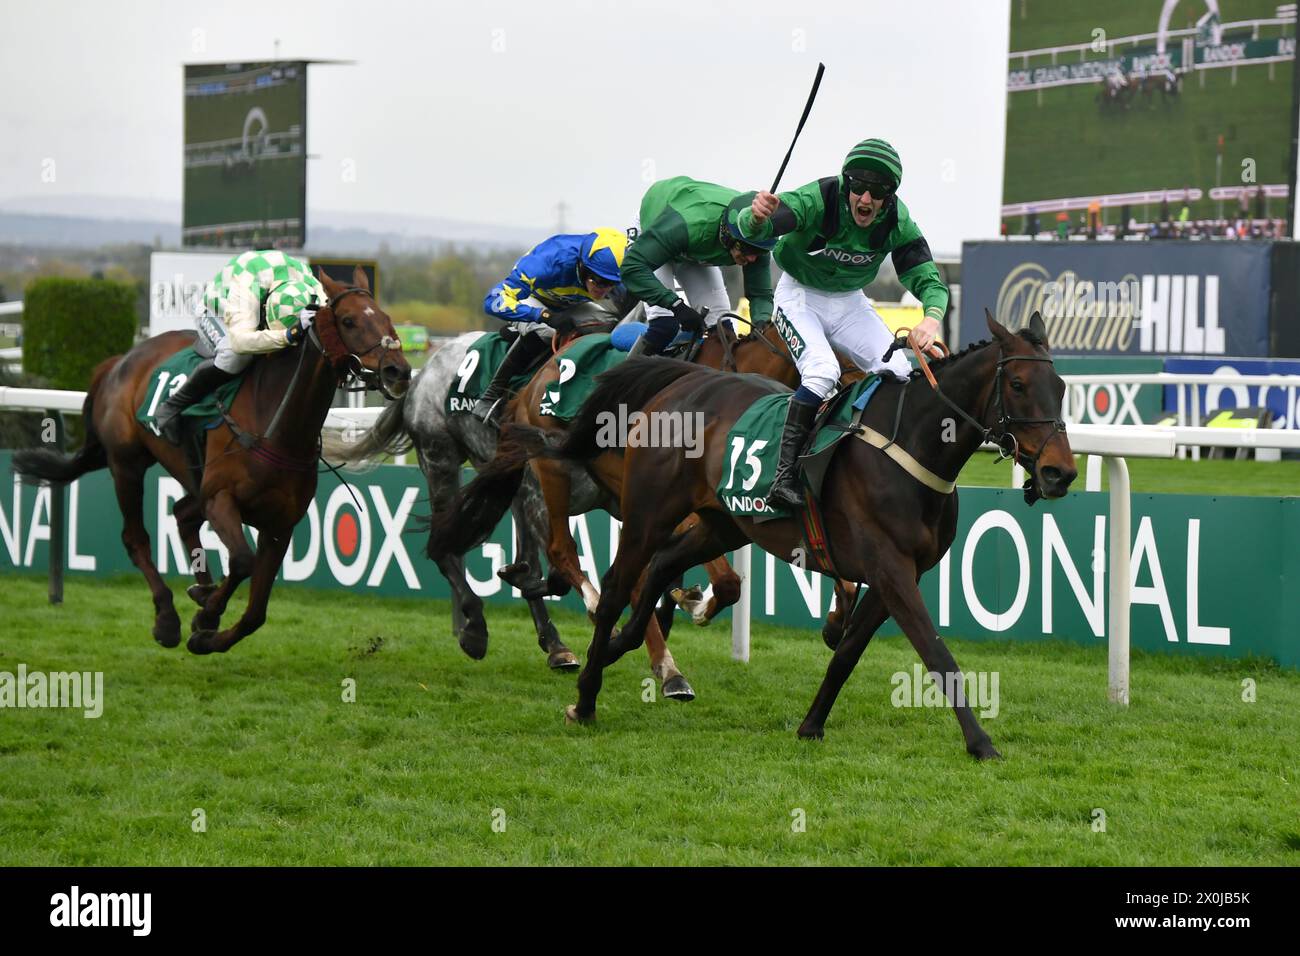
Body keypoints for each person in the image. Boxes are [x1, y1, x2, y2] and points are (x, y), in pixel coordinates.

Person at [733, 138, 948, 510]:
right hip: (799, 297)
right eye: (858, 188)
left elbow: (927, 278)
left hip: (850, 303)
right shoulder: (819, 199)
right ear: (845, 183)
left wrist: (930, 318)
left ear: (890, 195)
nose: (865, 200)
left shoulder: (898, 220)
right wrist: (753, 217)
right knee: (822, 371)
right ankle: (784, 477)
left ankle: (872, 457)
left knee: (897, 370)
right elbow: (757, 231)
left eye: (877, 192)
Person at [154, 249, 323, 444]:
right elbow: (241, 342)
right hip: (217, 309)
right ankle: (170, 408)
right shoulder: (246, 290)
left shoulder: (314, 290)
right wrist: (288, 334)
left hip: (261, 299)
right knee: (235, 356)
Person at [473, 228, 628, 421]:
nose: (603, 289)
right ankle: (489, 396)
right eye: (598, 280)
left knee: (609, 325)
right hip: (529, 298)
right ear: (582, 265)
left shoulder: (620, 269)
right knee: (545, 332)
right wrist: (543, 315)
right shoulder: (549, 261)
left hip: (570, 302)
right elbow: (492, 301)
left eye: (611, 283)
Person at [620, 177, 776, 356]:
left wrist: (762, 325)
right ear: (728, 234)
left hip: (694, 244)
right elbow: (631, 268)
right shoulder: (686, 227)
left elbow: (760, 295)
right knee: (665, 326)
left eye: (758, 252)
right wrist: (676, 305)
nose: (751, 258)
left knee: (721, 329)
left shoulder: (758, 241)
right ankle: (621, 381)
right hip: (664, 230)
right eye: (746, 249)